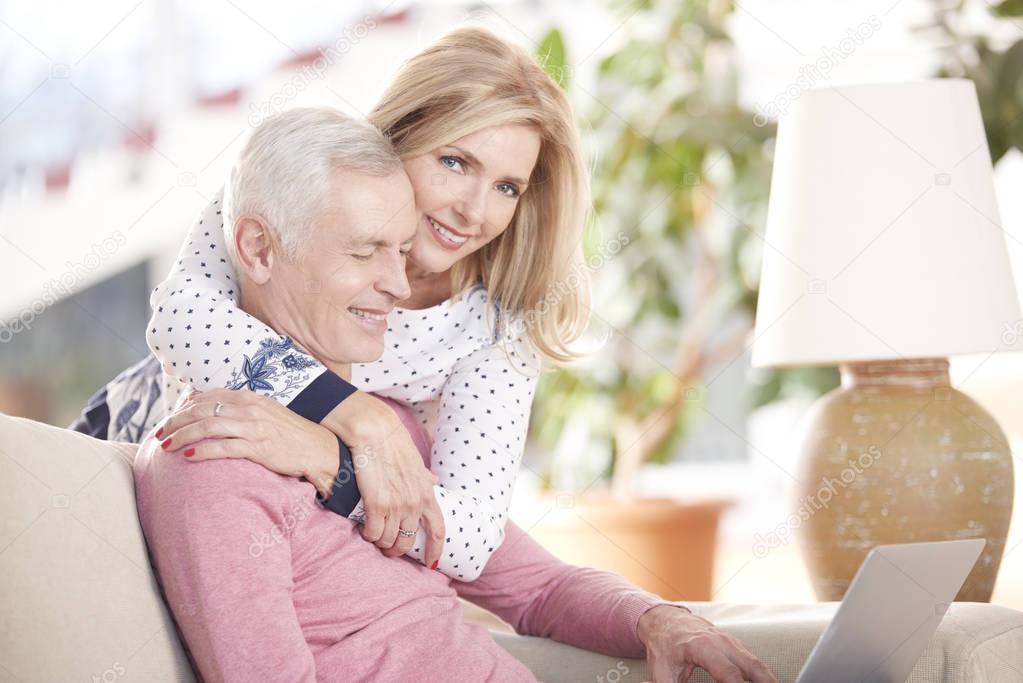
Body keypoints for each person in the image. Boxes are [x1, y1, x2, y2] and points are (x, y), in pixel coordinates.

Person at [134, 105, 776, 683]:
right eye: (365, 252)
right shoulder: (214, 463)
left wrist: (659, 621)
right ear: (257, 248)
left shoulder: (394, 428)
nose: (398, 284)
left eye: (402, 250)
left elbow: (539, 590)